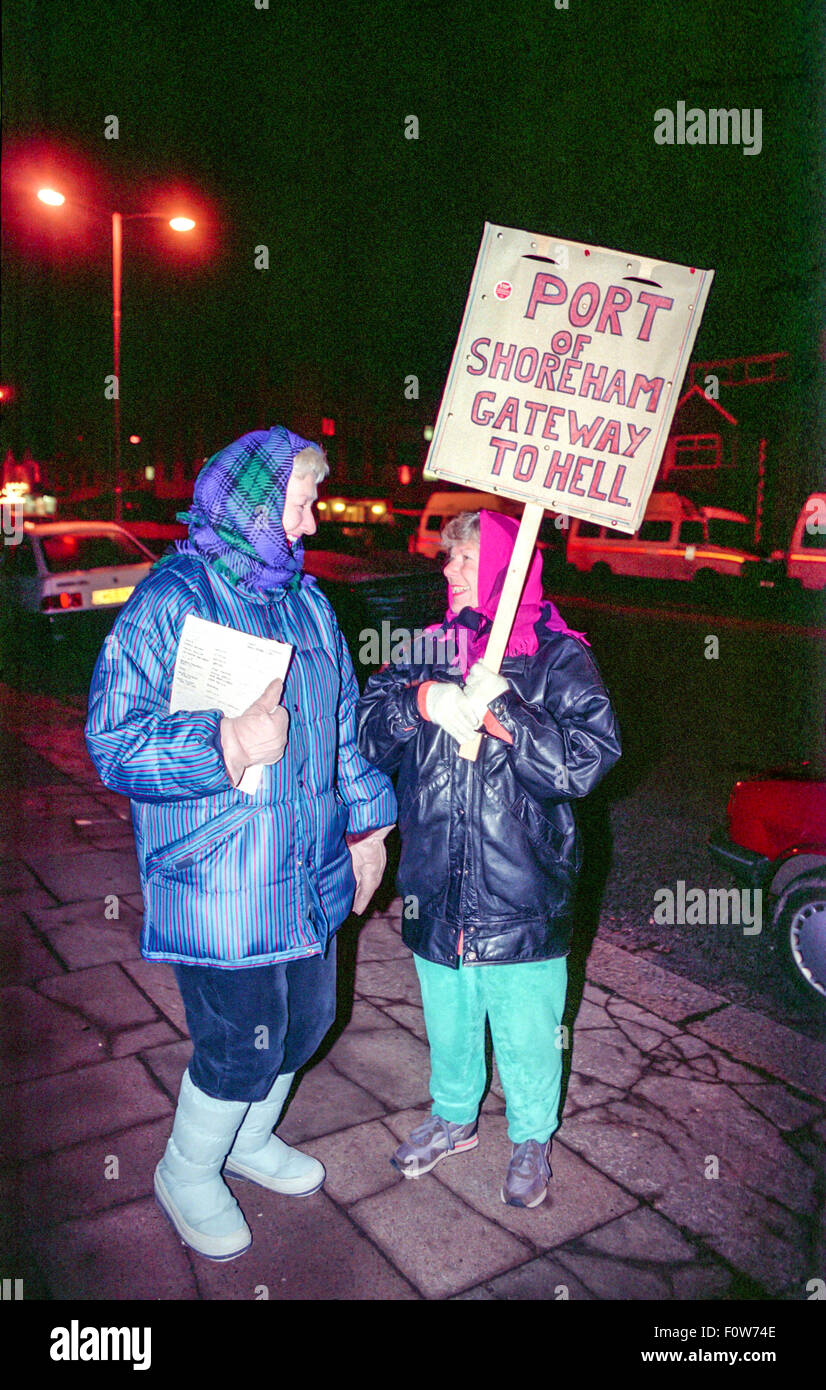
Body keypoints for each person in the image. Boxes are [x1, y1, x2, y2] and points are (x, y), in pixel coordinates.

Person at [85, 425, 395, 1260]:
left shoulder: (310, 602)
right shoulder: (168, 600)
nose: (313, 524)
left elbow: (341, 727)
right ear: (255, 507)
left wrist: (368, 825)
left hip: (310, 863)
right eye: (301, 505)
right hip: (220, 873)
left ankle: (250, 1141)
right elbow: (114, 741)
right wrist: (221, 746)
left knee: (309, 1023)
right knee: (240, 1041)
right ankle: (186, 1170)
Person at [356, 508, 620, 1208]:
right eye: (447, 558)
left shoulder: (560, 656)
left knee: (529, 1029)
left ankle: (532, 1136)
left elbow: (584, 764)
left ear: (504, 565)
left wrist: (507, 718)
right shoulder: (430, 646)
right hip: (436, 882)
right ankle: (452, 1117)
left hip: (522, 888)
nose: (447, 570)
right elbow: (367, 726)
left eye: (465, 558)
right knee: (448, 1017)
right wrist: (423, 699)